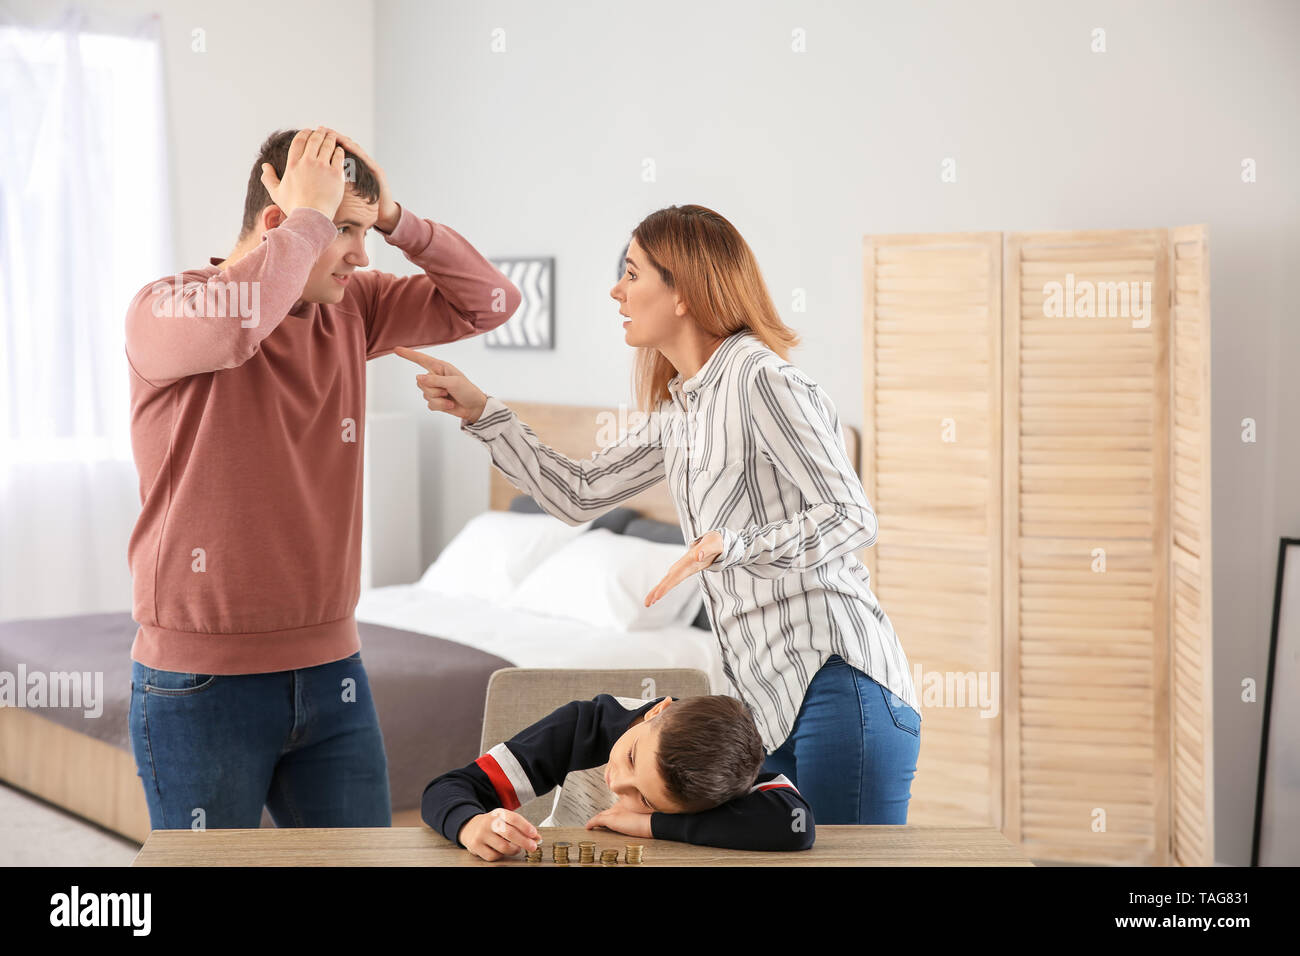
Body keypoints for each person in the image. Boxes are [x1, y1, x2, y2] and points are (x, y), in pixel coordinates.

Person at [395, 203, 922, 826]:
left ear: (683, 292)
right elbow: (578, 494)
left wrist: (730, 545)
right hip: (765, 703)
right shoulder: (683, 415)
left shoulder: (763, 381)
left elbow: (852, 516)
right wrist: (483, 413)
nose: (616, 290)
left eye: (632, 272)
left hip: (837, 680)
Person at [124, 126, 521, 830]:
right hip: (200, 683)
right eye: (344, 229)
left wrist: (402, 221)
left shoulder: (351, 310)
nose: (362, 255)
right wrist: (310, 218)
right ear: (282, 221)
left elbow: (490, 303)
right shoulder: (166, 308)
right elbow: (237, 328)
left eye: (366, 232)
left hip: (335, 671)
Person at [422, 693, 813, 860]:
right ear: (656, 711)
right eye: (630, 757)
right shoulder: (582, 726)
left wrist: (649, 825)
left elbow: (796, 827)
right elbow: (449, 788)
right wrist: (470, 824)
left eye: (644, 798)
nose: (615, 782)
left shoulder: (722, 770)